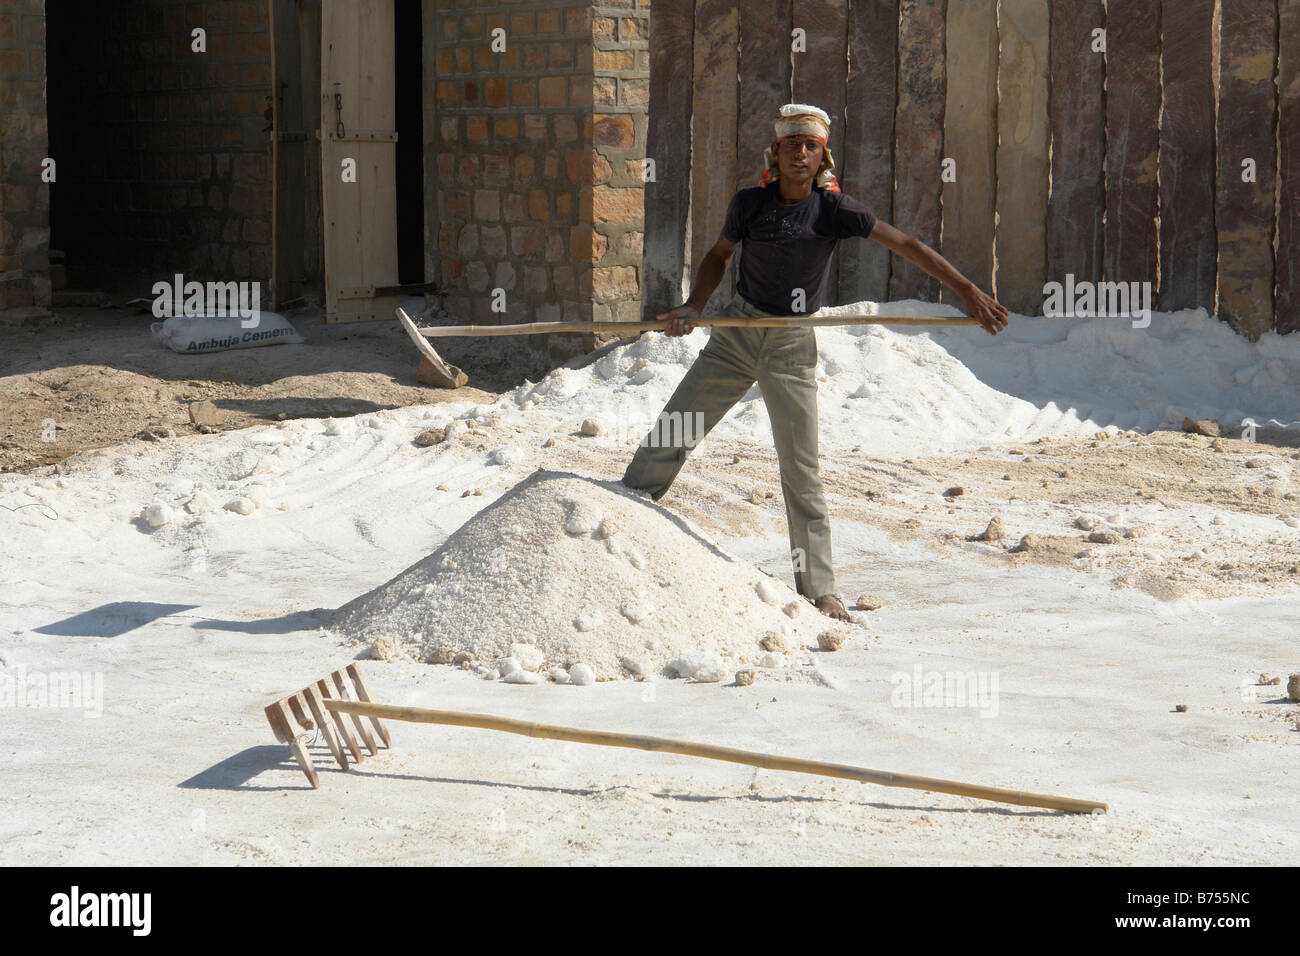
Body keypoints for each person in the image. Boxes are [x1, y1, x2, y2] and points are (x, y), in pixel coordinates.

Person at [622, 103, 1009, 621]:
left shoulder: (834, 209)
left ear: (822, 157)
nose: (799, 154)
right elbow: (719, 256)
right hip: (739, 332)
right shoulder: (750, 204)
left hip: (790, 344)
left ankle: (819, 587)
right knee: (678, 427)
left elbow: (909, 245)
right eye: (790, 145)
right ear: (775, 154)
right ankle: (623, 512)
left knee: (801, 468)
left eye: (810, 146)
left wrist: (968, 290)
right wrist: (694, 306)